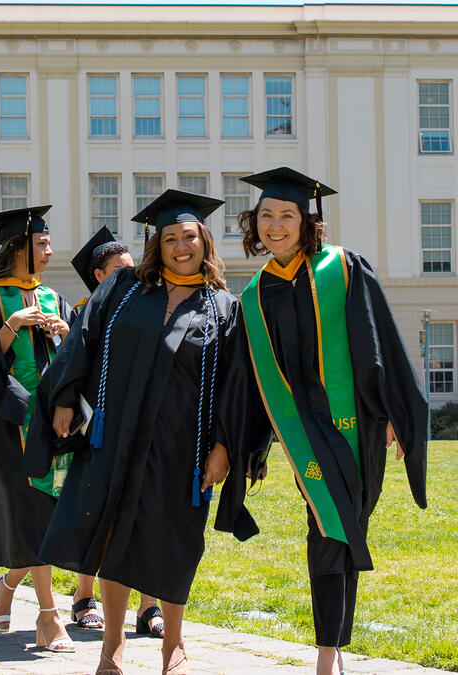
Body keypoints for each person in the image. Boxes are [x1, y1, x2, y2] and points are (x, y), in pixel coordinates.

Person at [215, 168, 428, 675]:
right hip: (306, 432)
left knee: (350, 521)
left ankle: (334, 644)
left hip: (361, 427)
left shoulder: (344, 269)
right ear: (253, 224)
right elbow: (253, 383)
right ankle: (327, 653)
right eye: (266, 216)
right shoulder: (254, 298)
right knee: (327, 526)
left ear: (308, 222)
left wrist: (395, 414)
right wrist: (252, 448)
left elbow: (380, 344)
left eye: (287, 215)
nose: (276, 225)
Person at [27, 190, 240, 674]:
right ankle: (113, 645)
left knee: (174, 540)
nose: (180, 246)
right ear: (157, 244)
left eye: (189, 237)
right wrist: (63, 396)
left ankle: (173, 644)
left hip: (181, 446)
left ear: (204, 242)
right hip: (116, 434)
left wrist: (224, 447)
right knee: (113, 534)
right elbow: (83, 338)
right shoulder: (123, 289)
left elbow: (236, 385)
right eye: (170, 238)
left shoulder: (225, 308)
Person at [0, 204, 76, 653]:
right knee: (32, 512)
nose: (49, 251)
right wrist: (11, 326)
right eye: (41, 244)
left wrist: (66, 331)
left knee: (47, 513)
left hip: (55, 422)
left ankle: (7, 585)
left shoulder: (53, 297)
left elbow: (74, 359)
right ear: (18, 248)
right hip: (10, 422)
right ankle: (49, 617)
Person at [63, 226, 168, 635]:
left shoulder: (148, 304)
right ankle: (83, 595)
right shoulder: (84, 310)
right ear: (99, 276)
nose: (132, 274)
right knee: (97, 512)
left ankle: (148, 605)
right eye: (120, 270)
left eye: (133, 267)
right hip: (98, 426)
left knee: (148, 512)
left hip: (144, 424)